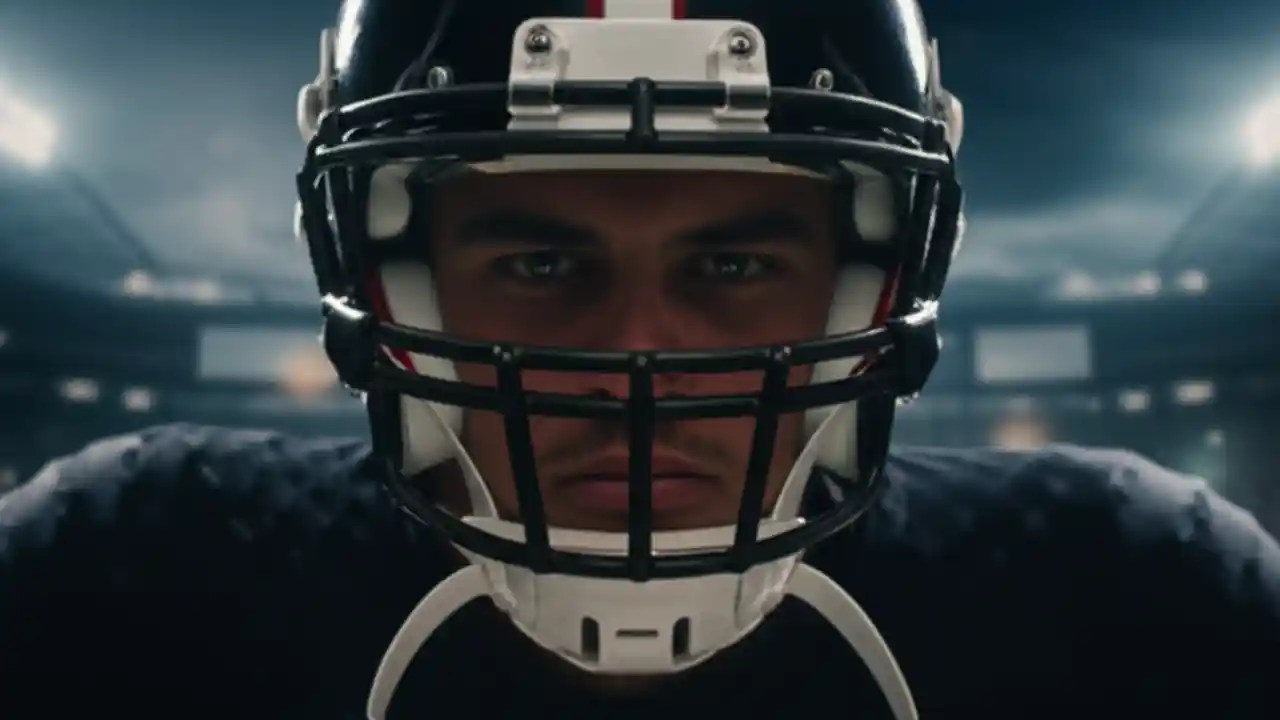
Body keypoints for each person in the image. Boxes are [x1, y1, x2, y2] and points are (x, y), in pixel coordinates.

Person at [2, 1, 1278, 718]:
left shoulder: (1129, 591)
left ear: (879, 280)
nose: (634, 364)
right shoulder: (130, 570)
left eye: (731, 266)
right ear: (383, 280)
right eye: (540, 265)